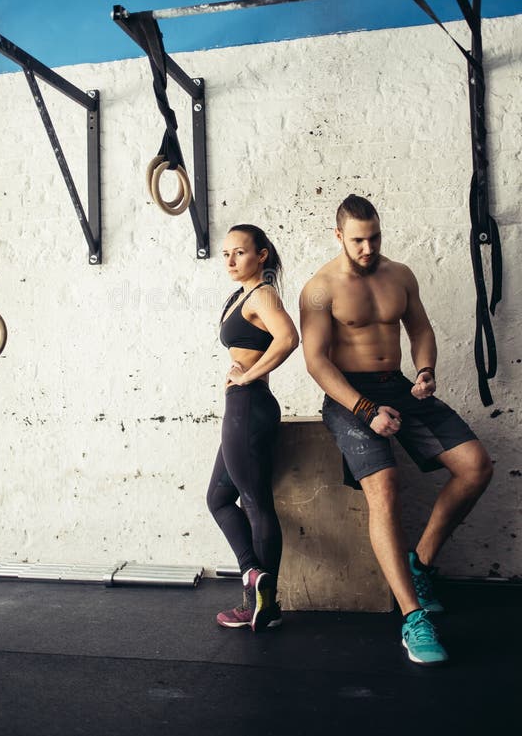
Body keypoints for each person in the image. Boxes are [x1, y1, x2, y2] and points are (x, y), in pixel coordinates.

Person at [300, 194, 493, 665]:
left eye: (375, 237)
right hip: (349, 396)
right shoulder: (319, 289)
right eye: (358, 240)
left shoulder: (400, 275)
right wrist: (366, 410)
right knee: (384, 488)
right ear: (339, 236)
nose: (368, 248)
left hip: (400, 386)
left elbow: (420, 329)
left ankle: (420, 563)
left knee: (475, 466)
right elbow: (316, 362)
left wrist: (425, 370)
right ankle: (413, 618)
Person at [207, 224, 299, 632]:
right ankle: (254, 579)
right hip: (243, 408)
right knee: (220, 498)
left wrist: (248, 377)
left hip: (249, 407)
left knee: (255, 501)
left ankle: (263, 602)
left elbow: (288, 338)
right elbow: (254, 346)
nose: (230, 260)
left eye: (239, 253)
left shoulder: (261, 294)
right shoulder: (240, 296)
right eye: (226, 253)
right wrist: (239, 370)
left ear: (261, 255)